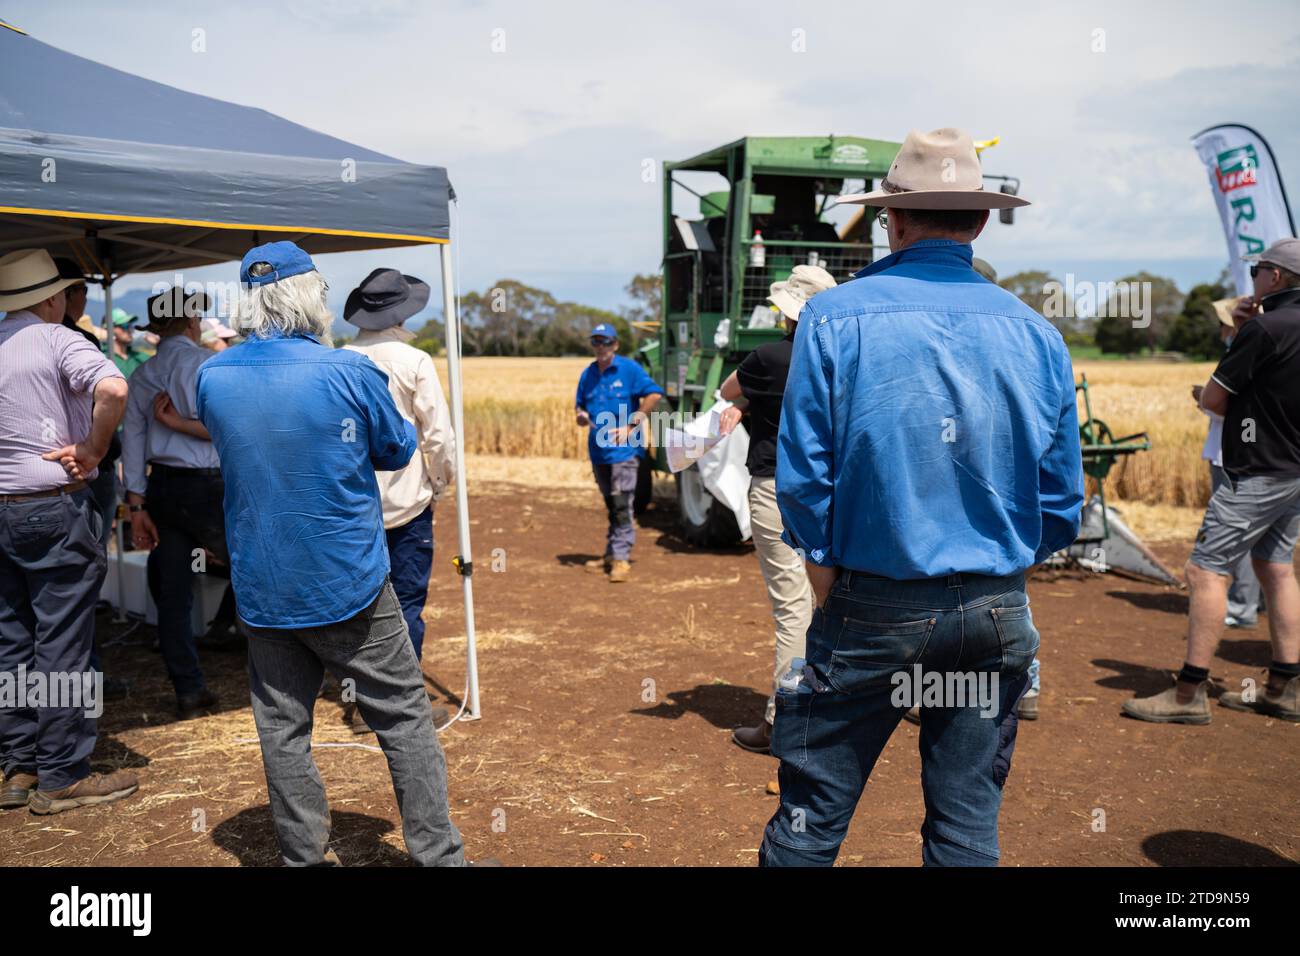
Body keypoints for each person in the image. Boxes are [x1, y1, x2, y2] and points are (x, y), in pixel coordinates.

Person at [760, 129, 1082, 867]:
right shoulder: (1037, 334)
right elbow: (1062, 500)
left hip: (873, 602)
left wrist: (830, 571)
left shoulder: (834, 318)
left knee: (811, 822)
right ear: (977, 222)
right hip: (993, 611)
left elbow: (805, 477)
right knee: (966, 828)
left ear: (892, 221)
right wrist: (997, 564)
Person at [196, 241, 465, 866]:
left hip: (262, 583)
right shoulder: (347, 373)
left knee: (283, 729)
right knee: (401, 717)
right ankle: (440, 858)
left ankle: (302, 857)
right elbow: (397, 452)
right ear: (313, 298)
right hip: (349, 579)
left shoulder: (213, 375)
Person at [1124, 238, 1300, 725]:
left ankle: (1188, 694)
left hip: (1254, 471)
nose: (1253, 279)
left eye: (1258, 270)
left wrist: (1221, 368)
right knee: (1277, 568)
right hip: (1294, 472)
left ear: (1276, 278)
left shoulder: (1263, 328)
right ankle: (1284, 688)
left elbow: (1215, 401)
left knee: (1206, 571)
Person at [0, 248, 138, 814]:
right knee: (63, 642)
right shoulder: (59, 339)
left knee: (12, 639)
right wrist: (93, 448)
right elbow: (115, 390)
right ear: (52, 298)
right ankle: (61, 774)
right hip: (53, 504)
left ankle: (20, 767)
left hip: (4, 506)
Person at [718, 265, 835, 755]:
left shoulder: (768, 358)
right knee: (829, 603)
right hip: (831, 491)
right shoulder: (842, 357)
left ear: (785, 313)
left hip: (775, 487)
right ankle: (833, 711)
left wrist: (747, 404)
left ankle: (783, 723)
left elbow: (726, 391)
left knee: (792, 609)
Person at [119, 286, 224, 719]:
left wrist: (136, 505)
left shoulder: (143, 375)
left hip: (162, 486)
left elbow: (134, 442)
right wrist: (180, 423)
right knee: (253, 574)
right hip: (209, 485)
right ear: (190, 322)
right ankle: (276, 674)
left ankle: (188, 688)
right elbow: (224, 431)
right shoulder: (206, 365)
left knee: (174, 592)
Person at [343, 268, 455, 661]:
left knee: (360, 604)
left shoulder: (337, 362)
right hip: (409, 504)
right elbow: (439, 437)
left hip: (352, 506)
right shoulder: (415, 361)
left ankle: (361, 690)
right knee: (406, 602)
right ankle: (400, 702)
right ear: (402, 315)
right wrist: (439, 485)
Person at [54, 258, 129, 702]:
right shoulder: (74, 340)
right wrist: (98, 448)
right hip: (79, 474)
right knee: (80, 582)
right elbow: (113, 392)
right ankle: (87, 682)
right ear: (68, 294)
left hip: (37, 484)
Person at [575, 323, 664, 583]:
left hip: (625, 450)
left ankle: (622, 558)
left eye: (605, 342)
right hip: (598, 451)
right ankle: (611, 553)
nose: (600, 347)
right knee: (611, 504)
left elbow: (654, 395)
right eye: (596, 342)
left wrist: (631, 425)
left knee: (622, 503)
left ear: (615, 344)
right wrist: (581, 416)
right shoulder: (588, 373)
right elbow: (580, 405)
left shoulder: (629, 370)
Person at [1191, 299, 1262, 629]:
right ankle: (1254, 600)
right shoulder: (1267, 350)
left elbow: (1226, 406)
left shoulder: (1240, 354)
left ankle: (1242, 604)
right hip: (1252, 454)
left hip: (1228, 455)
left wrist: (1203, 398)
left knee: (1235, 534)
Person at [108, 307, 147, 378]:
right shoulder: (103, 357)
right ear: (110, 328)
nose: (130, 329)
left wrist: (158, 344)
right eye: (125, 326)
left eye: (130, 325)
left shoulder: (140, 356)